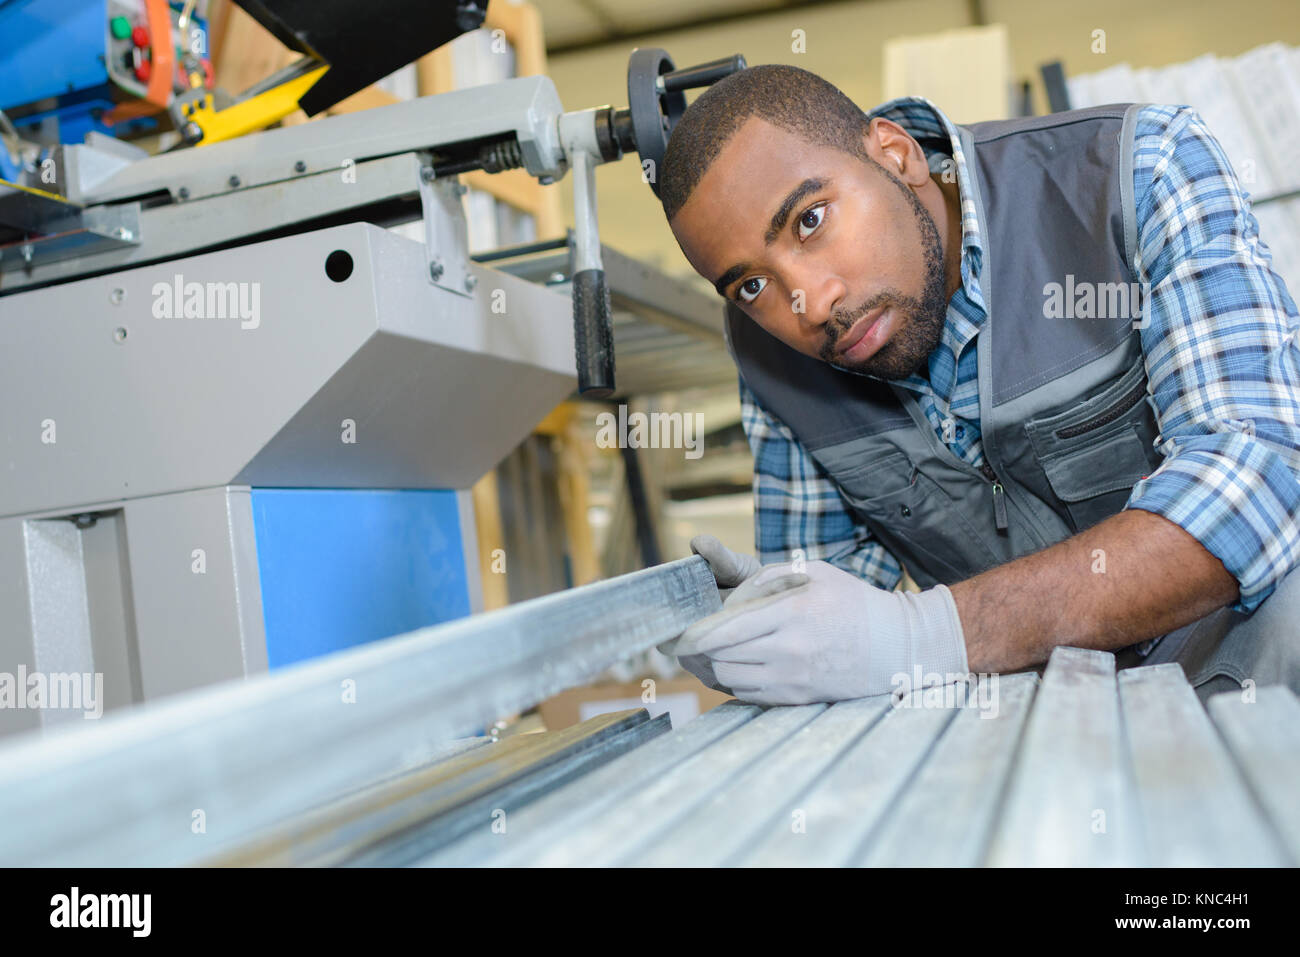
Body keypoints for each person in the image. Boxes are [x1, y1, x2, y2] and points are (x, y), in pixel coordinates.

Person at [653, 64, 1300, 707]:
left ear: (896, 154)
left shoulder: (1138, 170)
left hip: (1253, 685)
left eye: (811, 221)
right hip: (1039, 728)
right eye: (752, 286)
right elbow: (839, 632)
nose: (813, 304)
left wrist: (925, 633)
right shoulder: (772, 354)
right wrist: (775, 622)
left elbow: (1256, 481)